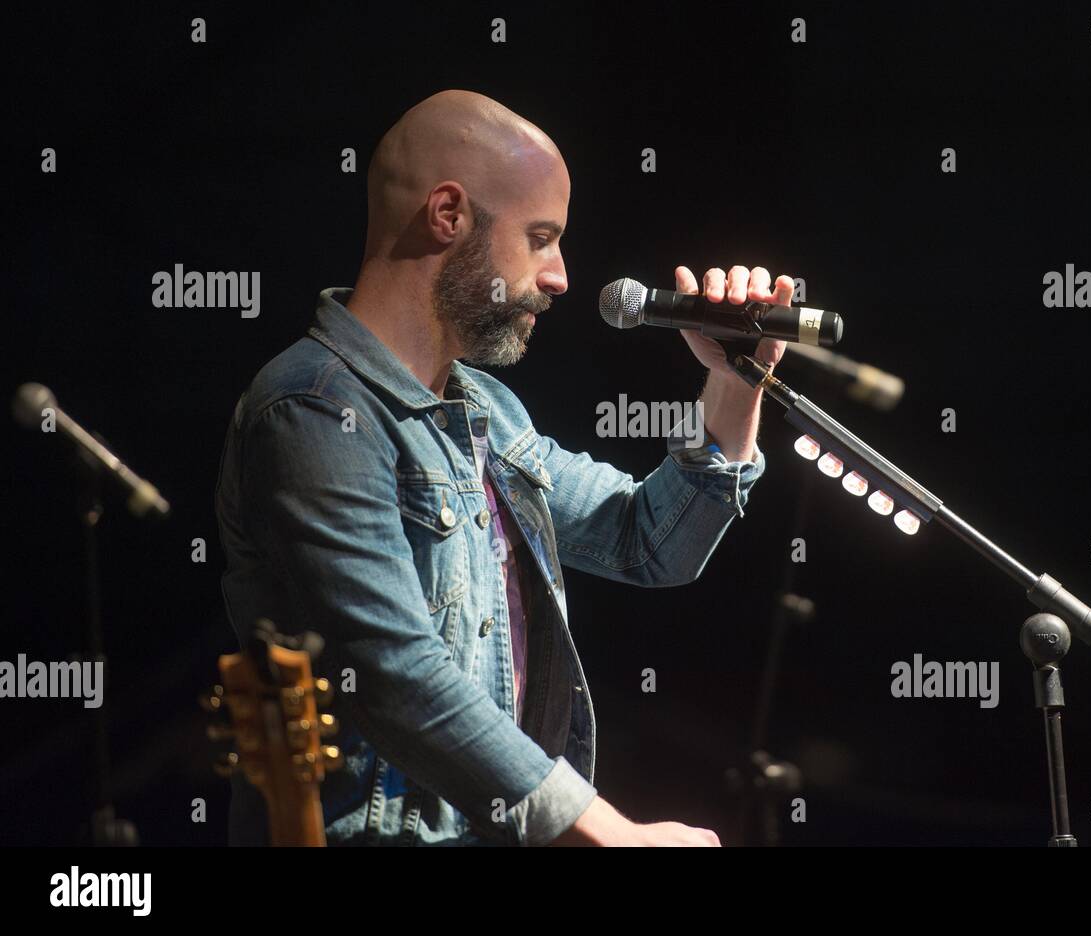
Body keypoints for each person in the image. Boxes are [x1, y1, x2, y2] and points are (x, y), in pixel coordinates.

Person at [215, 89, 790, 846]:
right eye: (541, 237)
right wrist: (610, 833)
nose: (559, 276)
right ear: (447, 215)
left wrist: (735, 381)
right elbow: (396, 671)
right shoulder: (314, 409)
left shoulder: (487, 409)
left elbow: (648, 542)